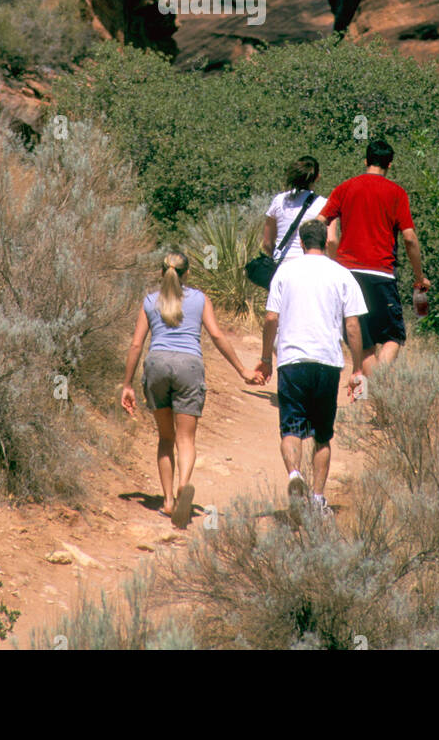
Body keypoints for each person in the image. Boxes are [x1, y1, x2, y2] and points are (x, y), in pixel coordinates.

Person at [121, 251, 262, 529]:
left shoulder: (150, 301)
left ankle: (169, 502)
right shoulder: (199, 299)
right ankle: (185, 485)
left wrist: (127, 384)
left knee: (165, 439)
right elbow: (218, 335)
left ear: (162, 274)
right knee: (186, 439)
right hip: (189, 366)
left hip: (157, 365)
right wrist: (243, 370)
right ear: (187, 274)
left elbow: (137, 344)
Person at [254, 218, 366, 518]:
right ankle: (317, 498)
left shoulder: (286, 271)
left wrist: (266, 358)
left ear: (301, 243)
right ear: (329, 243)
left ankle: (293, 475)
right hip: (328, 362)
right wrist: (357, 369)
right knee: (322, 435)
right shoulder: (342, 274)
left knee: (291, 428)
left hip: (292, 360)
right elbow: (353, 326)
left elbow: (270, 319)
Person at [321, 138, 430, 381]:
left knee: (365, 342)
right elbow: (410, 239)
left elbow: (320, 222)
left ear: (365, 161)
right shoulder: (397, 193)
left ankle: (368, 398)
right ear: (390, 165)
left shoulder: (345, 187)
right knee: (395, 336)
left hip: (347, 275)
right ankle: (379, 386)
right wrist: (418, 276)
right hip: (381, 274)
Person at [261, 155, 328, 269]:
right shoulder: (323, 204)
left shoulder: (279, 200)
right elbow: (330, 240)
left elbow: (267, 243)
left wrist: (277, 257)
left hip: (281, 265)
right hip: (310, 265)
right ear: (317, 177)